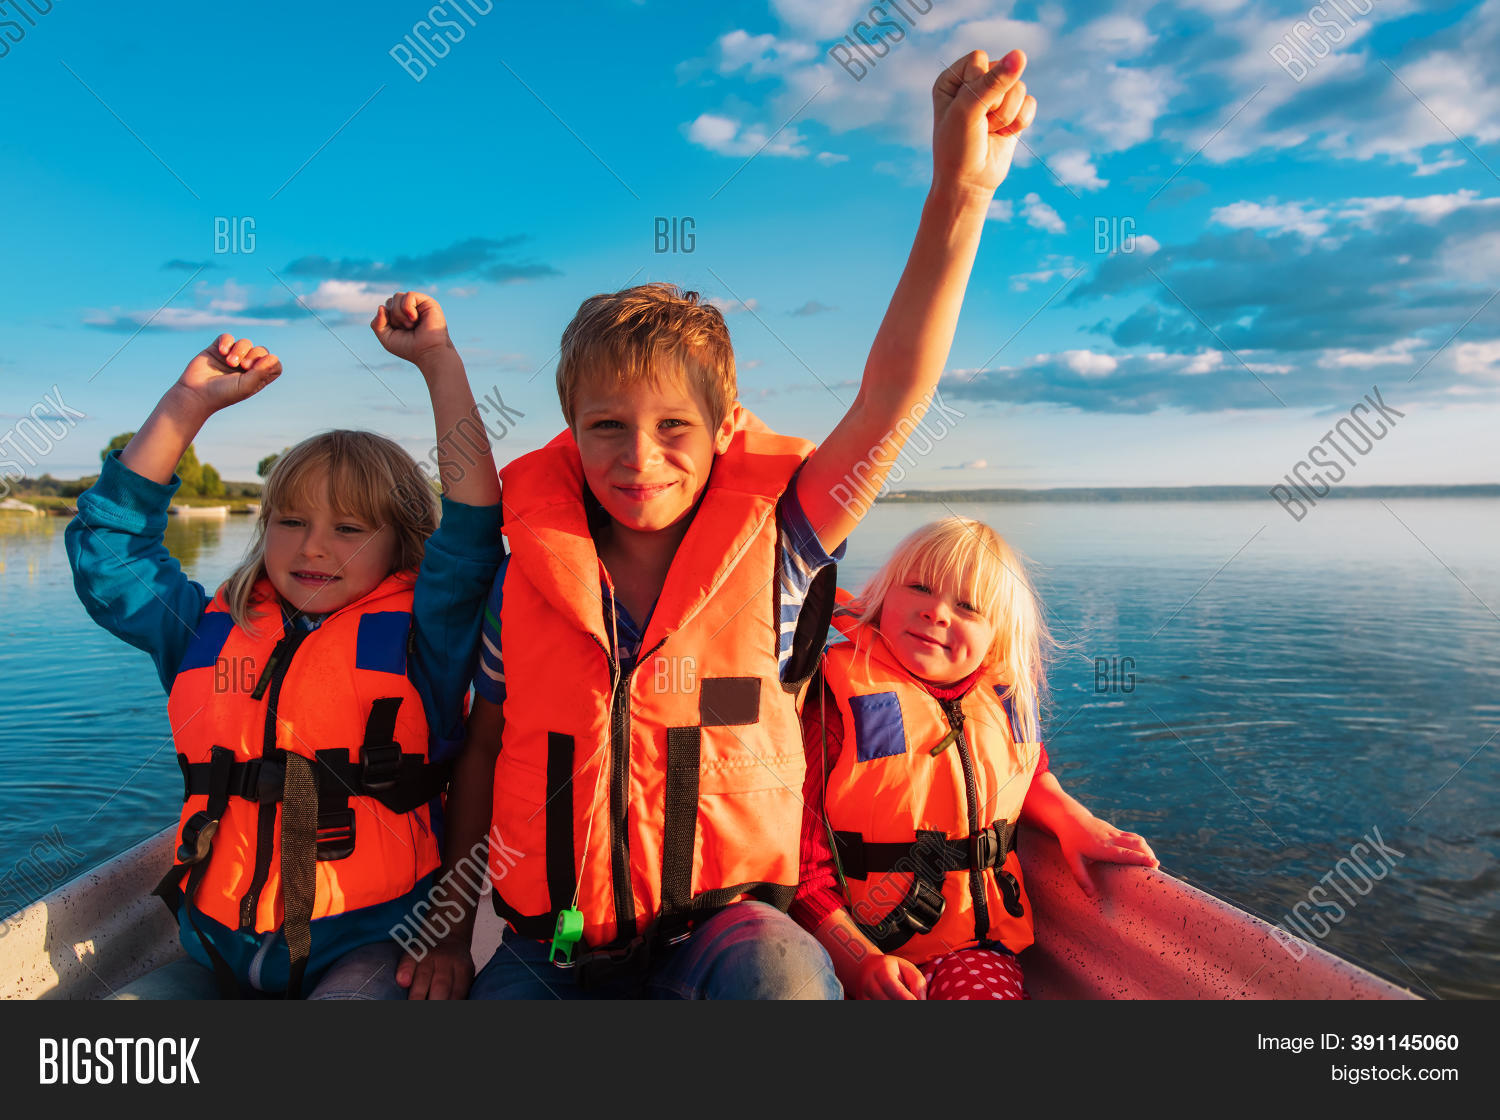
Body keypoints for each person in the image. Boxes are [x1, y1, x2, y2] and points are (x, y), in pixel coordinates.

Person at [399, 48, 1040, 1000]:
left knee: (783, 978)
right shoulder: (523, 577)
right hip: (555, 940)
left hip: (726, 931)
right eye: (606, 428)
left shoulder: (782, 550)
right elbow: (486, 751)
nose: (637, 457)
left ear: (725, 429)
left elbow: (893, 399)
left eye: (672, 429)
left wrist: (960, 189)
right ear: (570, 434)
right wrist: (449, 930)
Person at [65, 293, 503, 998]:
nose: (313, 547)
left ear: (402, 545)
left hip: (367, 946)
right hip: (218, 949)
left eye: (350, 529)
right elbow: (109, 551)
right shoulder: (203, 631)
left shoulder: (432, 635)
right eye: (291, 521)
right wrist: (187, 405)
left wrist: (436, 362)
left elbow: (475, 529)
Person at [792, 517, 1160, 999]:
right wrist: (859, 960)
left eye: (967, 606)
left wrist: (1072, 819)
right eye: (919, 587)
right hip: (844, 949)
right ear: (884, 595)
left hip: (968, 948)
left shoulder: (1002, 701)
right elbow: (800, 865)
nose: (937, 613)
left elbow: (1028, 773)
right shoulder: (835, 708)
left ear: (997, 635)